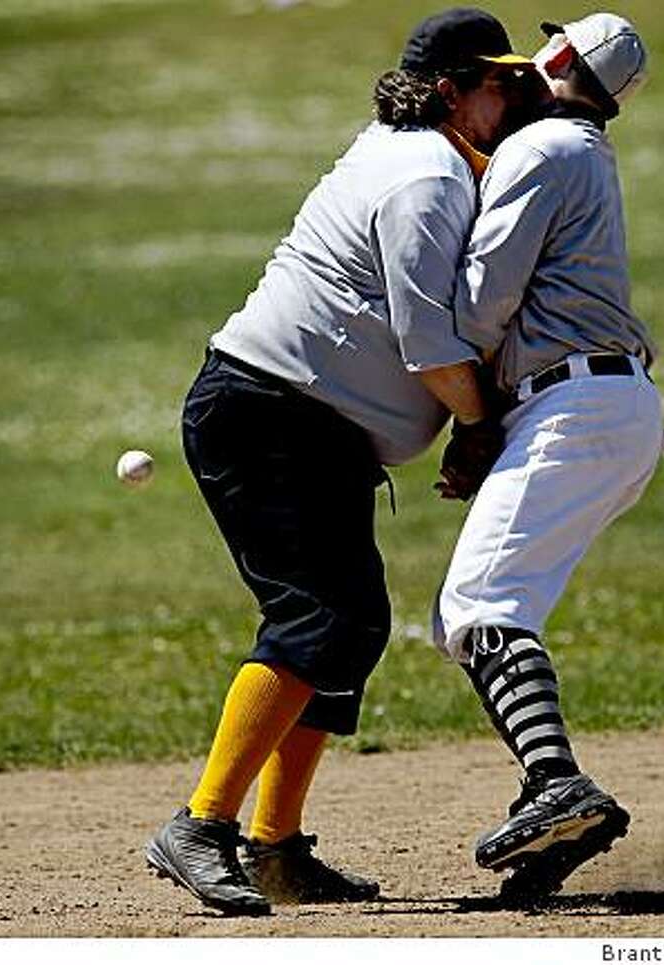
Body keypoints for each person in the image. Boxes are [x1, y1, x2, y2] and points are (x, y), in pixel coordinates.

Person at [144, 8, 551, 917]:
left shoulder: (411, 154)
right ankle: (200, 825)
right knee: (318, 617)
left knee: (351, 625)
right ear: (453, 90)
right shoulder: (424, 176)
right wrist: (478, 426)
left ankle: (276, 846)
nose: (514, 97)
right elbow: (428, 342)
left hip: (301, 424)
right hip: (267, 415)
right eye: (500, 82)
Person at [433, 12, 664, 904]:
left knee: (479, 604)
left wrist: (463, 410)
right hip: (599, 405)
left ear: (559, 58)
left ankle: (558, 785)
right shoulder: (584, 151)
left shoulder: (542, 151)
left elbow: (485, 300)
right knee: (488, 604)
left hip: (575, 406)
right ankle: (553, 797)